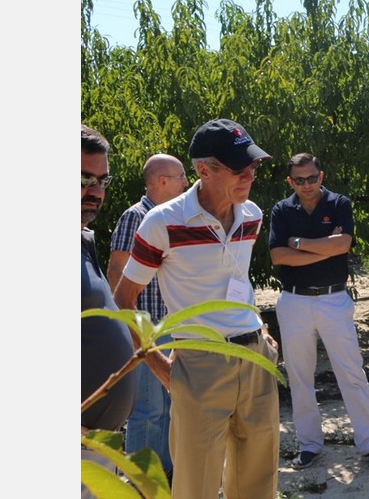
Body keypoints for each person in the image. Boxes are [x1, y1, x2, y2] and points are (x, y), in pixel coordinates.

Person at [113, 118, 280, 498]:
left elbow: (237, 280)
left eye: (253, 165)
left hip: (256, 358)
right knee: (195, 484)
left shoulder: (250, 215)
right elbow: (124, 299)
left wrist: (262, 331)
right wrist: (159, 365)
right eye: (239, 168)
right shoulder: (162, 223)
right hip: (199, 362)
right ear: (204, 170)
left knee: (259, 480)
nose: (249, 175)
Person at [268, 153, 369, 469]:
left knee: (351, 371)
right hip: (294, 301)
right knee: (299, 376)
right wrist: (323, 247)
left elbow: (343, 245)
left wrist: (298, 243)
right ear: (290, 181)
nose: (306, 185)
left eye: (312, 178)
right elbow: (278, 256)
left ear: (321, 176)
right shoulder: (282, 210)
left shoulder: (339, 204)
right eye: (299, 180)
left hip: (333, 299)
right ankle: (309, 445)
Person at [106, 153, 188, 480]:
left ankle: (163, 474)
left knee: (169, 408)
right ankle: (141, 480)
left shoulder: (172, 218)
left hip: (171, 327)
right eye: (181, 176)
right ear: (162, 181)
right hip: (146, 330)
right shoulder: (135, 216)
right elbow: (116, 272)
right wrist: (131, 331)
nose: (187, 183)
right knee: (147, 411)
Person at [81, 125, 137, 494]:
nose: (96, 192)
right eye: (84, 179)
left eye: (102, 180)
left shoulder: (83, 238)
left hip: (97, 445)